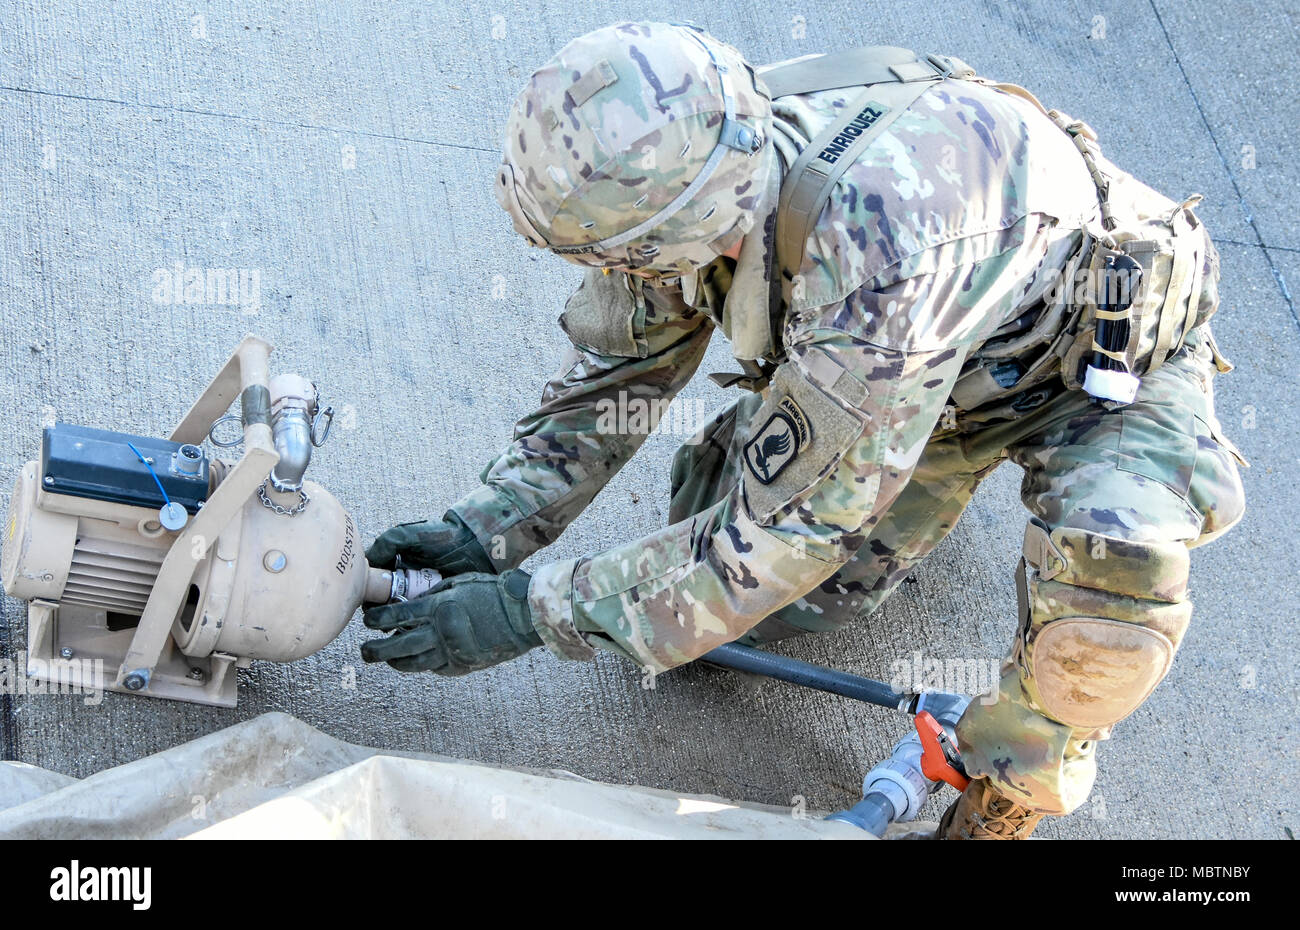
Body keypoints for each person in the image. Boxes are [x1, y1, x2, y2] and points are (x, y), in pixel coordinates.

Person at [361, 21, 1246, 839]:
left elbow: (774, 544)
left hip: (1094, 364)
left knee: (1108, 602)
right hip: (923, 370)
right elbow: (614, 375)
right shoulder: (687, 156)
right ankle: (886, 461)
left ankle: (1011, 777)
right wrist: (491, 526)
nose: (611, 272)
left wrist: (528, 612)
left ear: (678, 226)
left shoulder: (872, 255)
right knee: (734, 614)